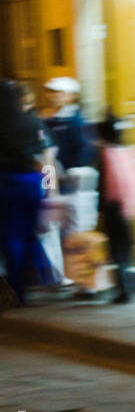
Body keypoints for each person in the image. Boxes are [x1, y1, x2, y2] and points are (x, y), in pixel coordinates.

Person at [0, 80, 55, 305]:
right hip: (31, 184)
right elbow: (46, 157)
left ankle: (18, 290)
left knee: (11, 237)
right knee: (30, 232)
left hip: (4, 183)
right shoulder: (32, 122)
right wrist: (50, 186)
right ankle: (36, 279)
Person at [96, 113, 135, 304]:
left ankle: (123, 290)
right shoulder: (129, 152)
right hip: (129, 207)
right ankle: (129, 287)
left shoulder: (106, 154)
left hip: (114, 208)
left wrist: (100, 209)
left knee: (117, 250)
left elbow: (106, 186)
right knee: (125, 250)